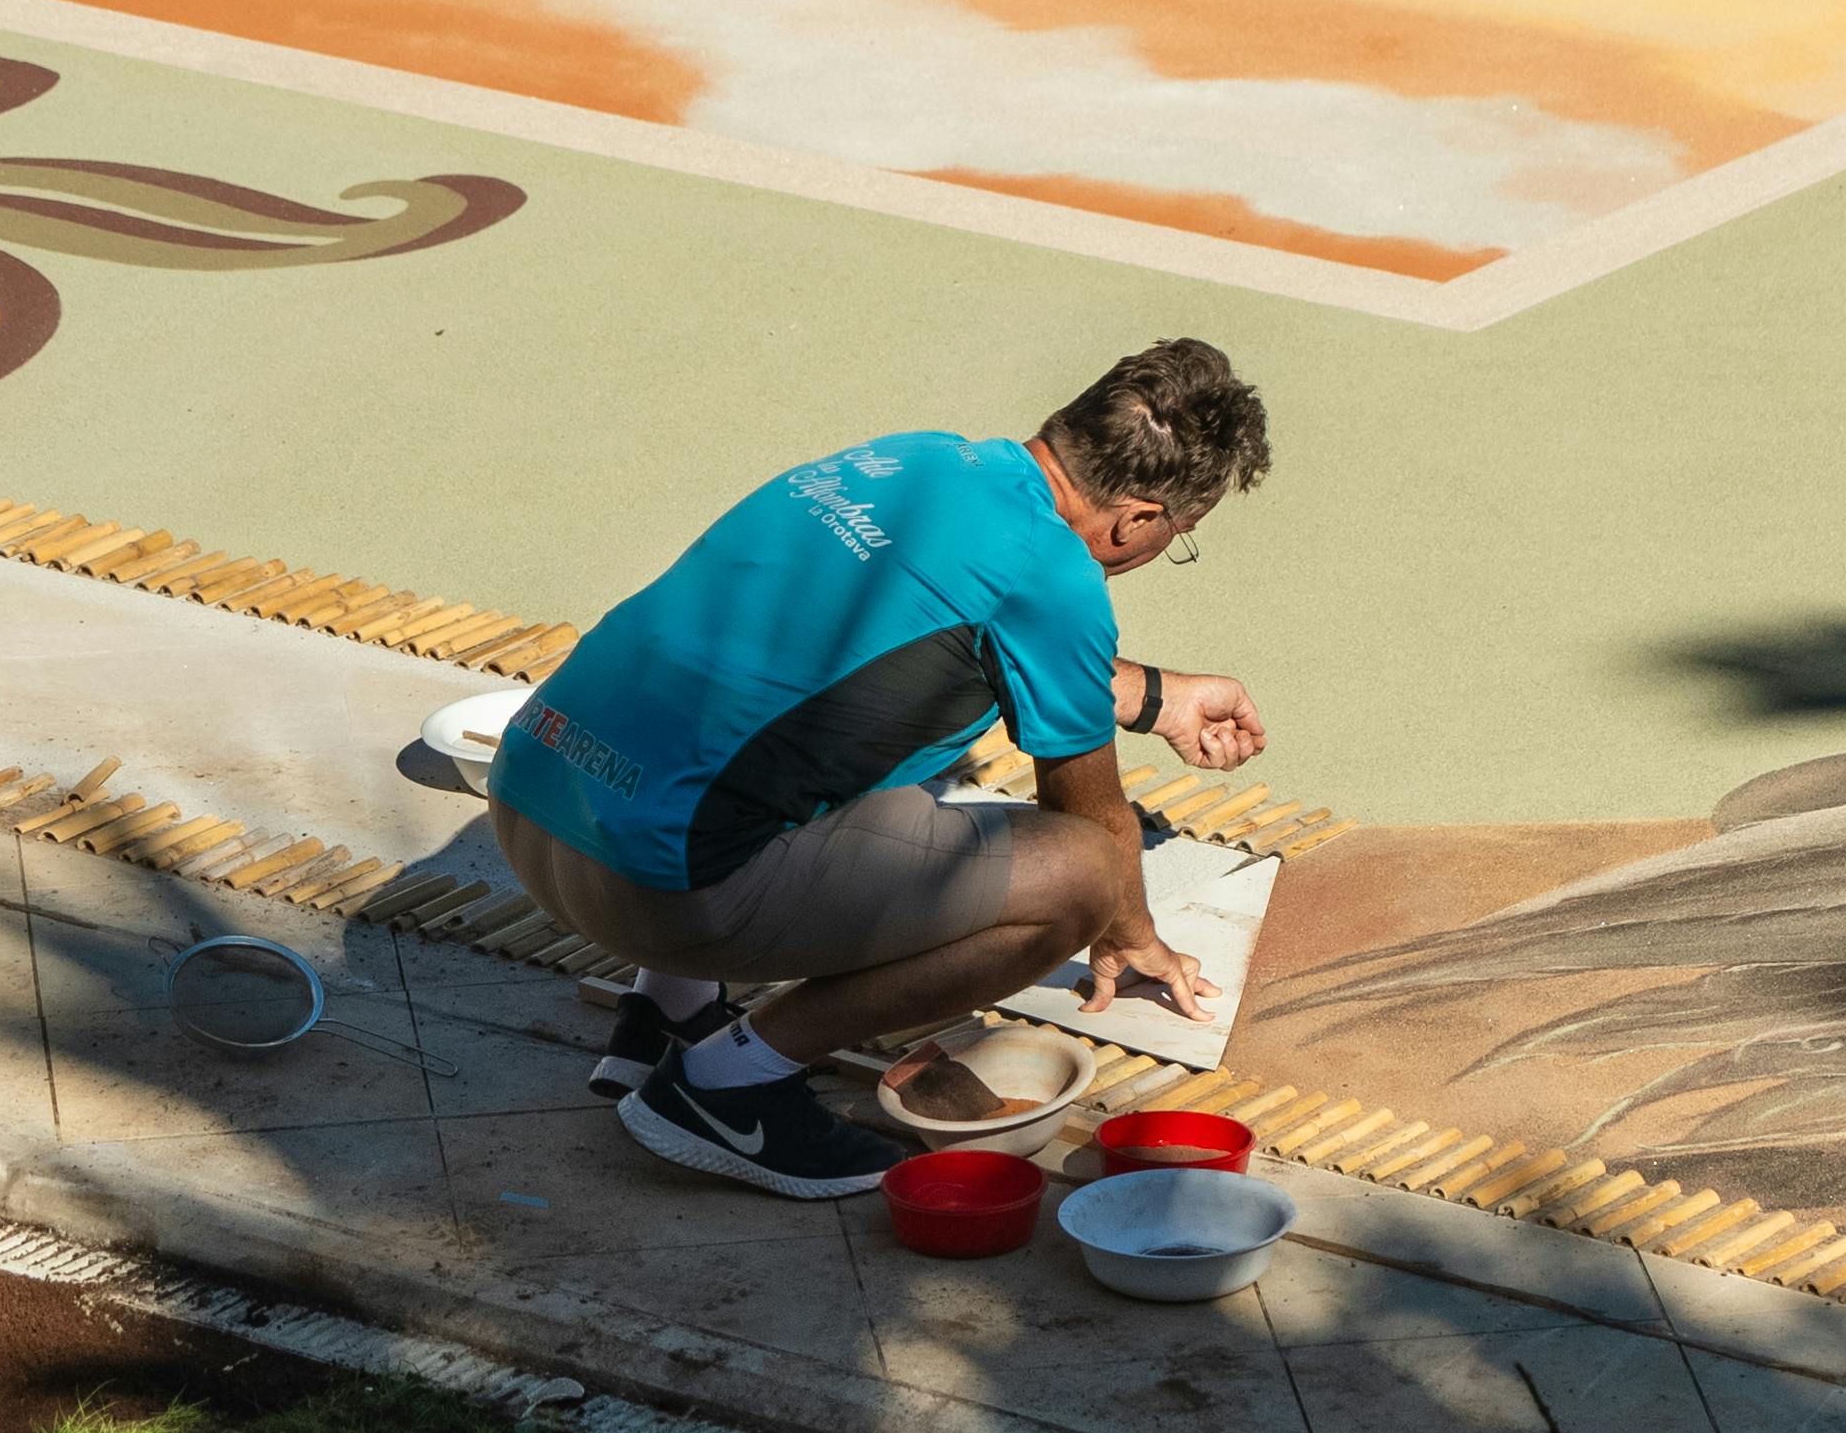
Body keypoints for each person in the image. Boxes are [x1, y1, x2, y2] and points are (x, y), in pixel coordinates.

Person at [484, 337, 1272, 1201]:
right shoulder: (1056, 579)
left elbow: (950, 635)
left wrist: (1156, 697)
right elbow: (1094, 821)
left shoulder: (913, 458)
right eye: (1179, 536)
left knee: (865, 728)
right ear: (1136, 520)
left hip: (532, 800)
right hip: (652, 895)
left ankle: (669, 1008)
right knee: (1081, 877)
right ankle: (726, 1086)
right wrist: (1132, 935)